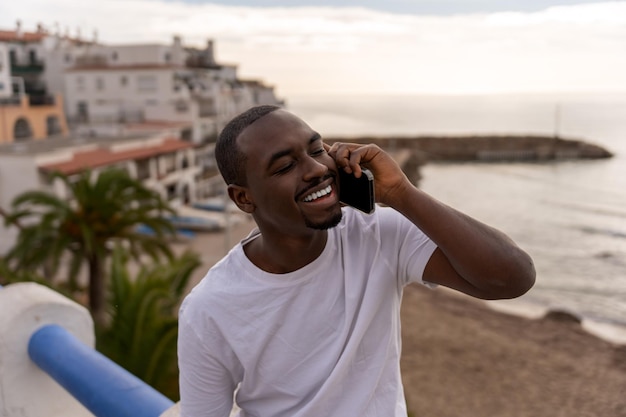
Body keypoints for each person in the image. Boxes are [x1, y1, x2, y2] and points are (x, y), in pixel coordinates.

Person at [177, 105, 536, 417]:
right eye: (285, 166)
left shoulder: (376, 232)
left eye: (317, 149)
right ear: (243, 198)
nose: (316, 169)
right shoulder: (209, 308)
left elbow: (512, 278)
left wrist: (400, 193)